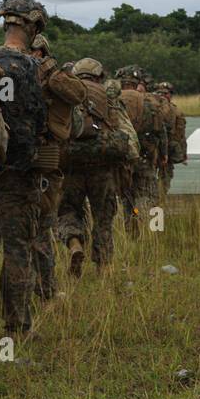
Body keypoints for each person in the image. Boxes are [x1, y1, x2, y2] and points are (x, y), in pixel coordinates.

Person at [0, 0, 48, 337]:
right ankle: (16, 325)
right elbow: (40, 120)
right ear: (33, 26)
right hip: (19, 171)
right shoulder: (33, 68)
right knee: (18, 247)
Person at [58, 58, 134, 275]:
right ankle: (103, 267)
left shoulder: (65, 92)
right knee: (103, 216)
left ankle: (74, 242)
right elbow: (124, 130)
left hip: (71, 165)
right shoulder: (108, 96)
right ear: (99, 76)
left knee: (67, 209)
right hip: (102, 166)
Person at [29, 33, 87, 301]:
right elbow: (75, 125)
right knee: (42, 230)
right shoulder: (55, 79)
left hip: (3, 165)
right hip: (45, 163)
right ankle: (44, 293)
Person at [114, 65, 165, 234]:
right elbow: (160, 131)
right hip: (145, 157)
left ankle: (129, 229)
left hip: (122, 157)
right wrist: (162, 154)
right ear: (136, 83)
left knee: (125, 196)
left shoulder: (112, 100)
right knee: (147, 194)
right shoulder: (150, 101)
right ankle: (151, 230)